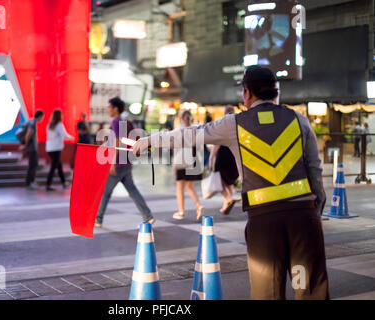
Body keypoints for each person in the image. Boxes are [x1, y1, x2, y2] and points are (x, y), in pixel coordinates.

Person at [134, 65, 329, 300]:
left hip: (264, 222)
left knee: (268, 292)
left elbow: (191, 134)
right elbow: (315, 171)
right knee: (308, 289)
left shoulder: (235, 123)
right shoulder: (299, 120)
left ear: (246, 93)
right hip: (303, 219)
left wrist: (149, 141)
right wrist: (315, 213)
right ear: (276, 93)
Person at [94, 97, 155, 228]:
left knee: (105, 191)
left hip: (119, 162)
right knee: (132, 190)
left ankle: (98, 219)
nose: (108, 109)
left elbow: (117, 142)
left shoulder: (116, 121)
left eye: (109, 107)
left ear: (116, 109)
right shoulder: (124, 121)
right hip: (127, 161)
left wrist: (112, 162)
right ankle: (148, 216)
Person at [172, 110, 204, 221]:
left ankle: (181, 211)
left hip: (181, 161)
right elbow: (200, 148)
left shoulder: (178, 131)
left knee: (180, 187)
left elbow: (174, 147)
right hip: (193, 160)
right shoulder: (196, 129)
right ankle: (198, 205)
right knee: (190, 187)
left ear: (181, 119)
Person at [209, 106, 239, 215]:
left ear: (225, 113)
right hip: (233, 156)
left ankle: (228, 198)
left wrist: (211, 158)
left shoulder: (223, 124)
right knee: (228, 181)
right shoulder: (237, 125)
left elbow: (216, 143)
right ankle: (227, 203)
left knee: (218, 181)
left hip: (222, 157)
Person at [45, 109, 73, 191]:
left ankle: (63, 182)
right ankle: (48, 184)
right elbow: (65, 135)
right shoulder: (59, 125)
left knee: (59, 165)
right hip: (56, 149)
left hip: (49, 148)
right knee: (53, 167)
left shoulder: (49, 125)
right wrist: (72, 137)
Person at [22, 110, 44, 190]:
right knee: (32, 166)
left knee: (33, 165)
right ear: (39, 116)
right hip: (31, 149)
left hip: (32, 148)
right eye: (42, 117)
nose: (42, 119)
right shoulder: (32, 124)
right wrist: (25, 145)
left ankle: (31, 182)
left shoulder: (31, 122)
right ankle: (29, 183)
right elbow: (28, 135)